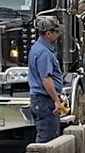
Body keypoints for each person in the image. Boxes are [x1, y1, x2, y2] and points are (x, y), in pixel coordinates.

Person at [27, 15, 64, 143]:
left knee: (48, 136)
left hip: (40, 100)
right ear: (48, 33)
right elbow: (46, 79)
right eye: (56, 32)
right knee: (47, 139)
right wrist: (56, 100)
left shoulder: (37, 48)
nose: (58, 35)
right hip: (44, 100)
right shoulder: (44, 53)